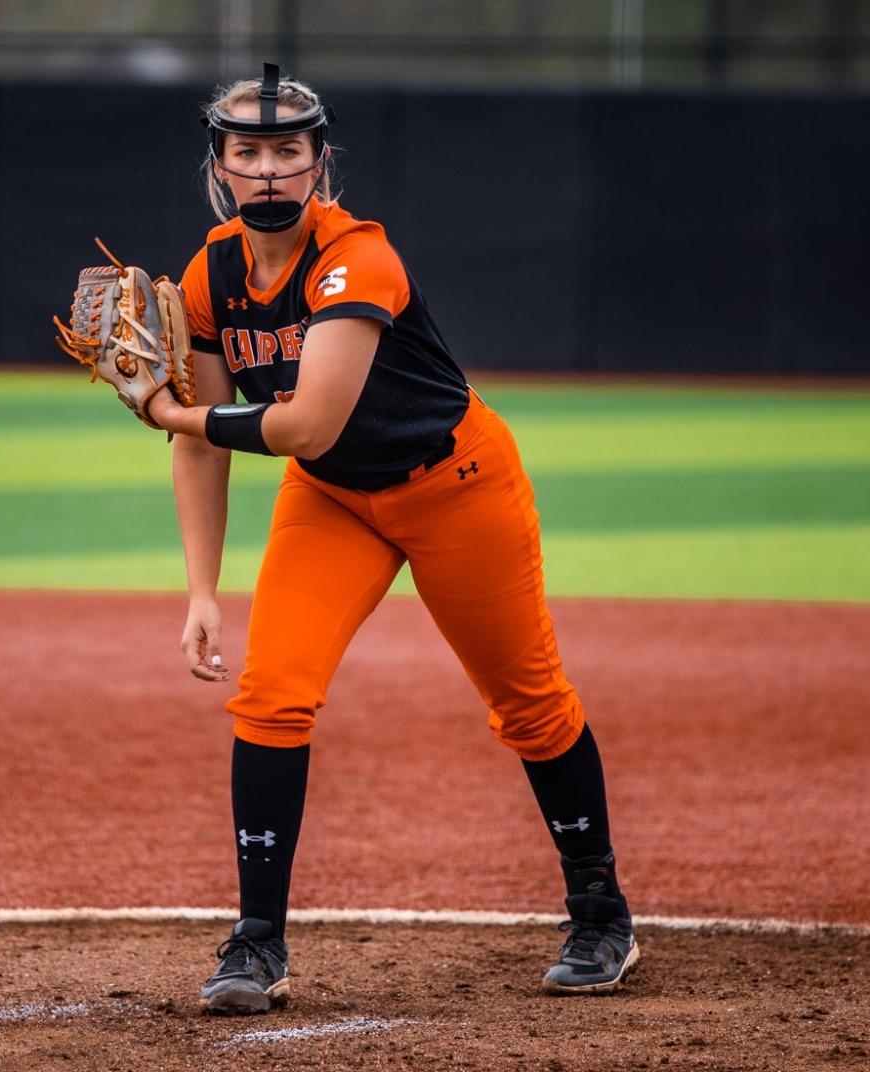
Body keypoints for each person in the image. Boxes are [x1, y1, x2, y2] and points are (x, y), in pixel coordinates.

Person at [137, 65, 640, 1015]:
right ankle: (255, 944)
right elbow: (201, 446)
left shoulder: (356, 259)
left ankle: (599, 910)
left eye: (289, 151)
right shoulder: (206, 274)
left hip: (456, 488)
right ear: (220, 168)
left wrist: (174, 411)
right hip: (333, 504)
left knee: (527, 704)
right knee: (272, 695)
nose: (270, 173)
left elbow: (297, 428)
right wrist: (202, 590)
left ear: (319, 162)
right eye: (248, 152)